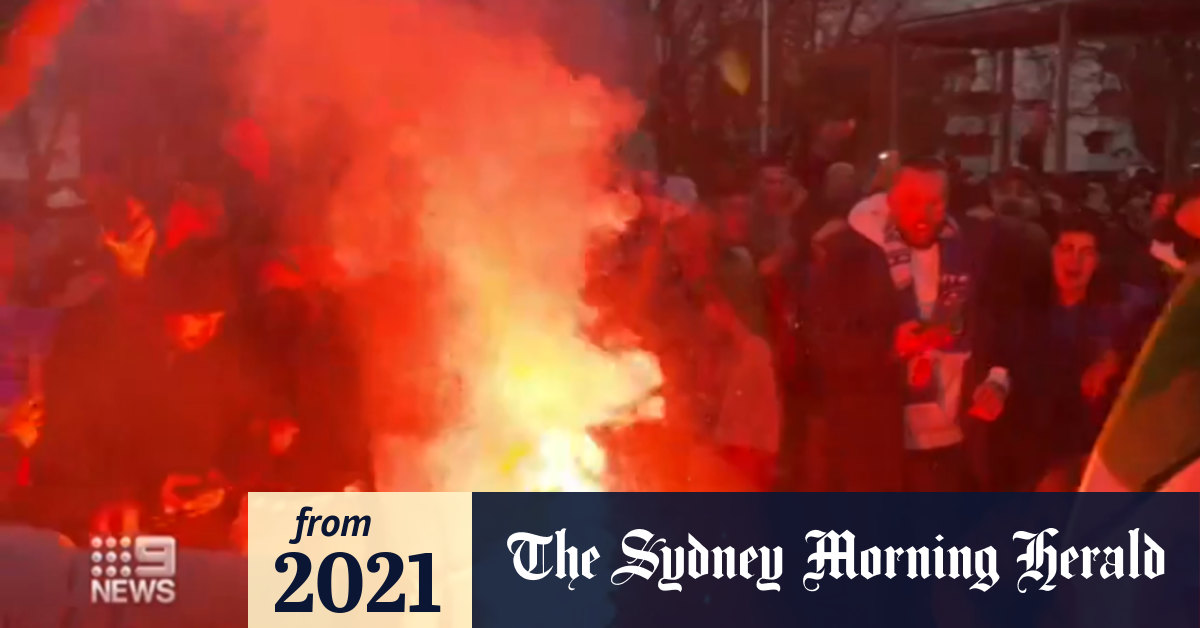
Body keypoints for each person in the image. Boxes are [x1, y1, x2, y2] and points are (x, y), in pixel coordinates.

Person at [31, 239, 262, 546]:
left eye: (217, 321)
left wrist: (219, 484)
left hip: (186, 532)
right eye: (199, 318)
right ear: (168, 306)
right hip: (108, 527)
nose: (209, 332)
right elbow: (71, 450)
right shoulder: (106, 350)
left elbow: (240, 431)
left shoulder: (216, 361)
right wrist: (148, 491)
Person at [808, 157, 1009, 491]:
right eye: (912, 201)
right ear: (890, 201)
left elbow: (990, 330)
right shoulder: (851, 256)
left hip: (952, 442)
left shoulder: (967, 252)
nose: (924, 214)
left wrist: (996, 381)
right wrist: (890, 345)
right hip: (882, 447)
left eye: (935, 202)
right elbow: (823, 343)